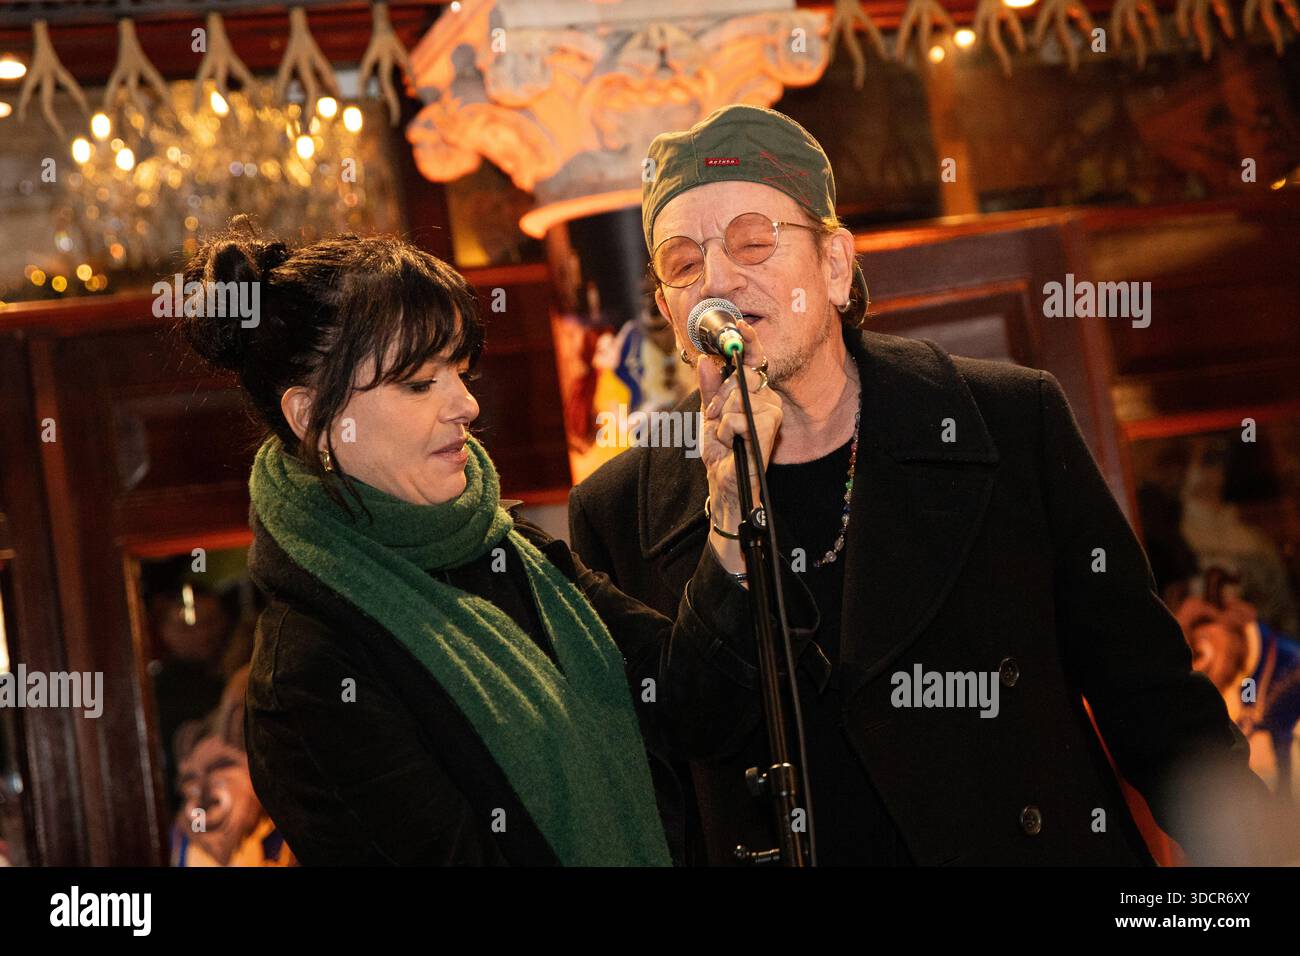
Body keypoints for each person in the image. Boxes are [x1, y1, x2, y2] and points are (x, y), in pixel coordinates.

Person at [569, 103, 1300, 866]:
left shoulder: (1009, 422)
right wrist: (726, 524)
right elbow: (655, 805)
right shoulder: (621, 510)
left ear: (835, 266)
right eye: (684, 264)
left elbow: (1154, 704)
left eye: (754, 241)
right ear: (667, 308)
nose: (717, 277)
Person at [178, 216, 781, 865]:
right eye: (418, 382)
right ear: (312, 418)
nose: (464, 403)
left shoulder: (509, 550)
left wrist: (728, 513)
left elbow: (699, 707)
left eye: (459, 371)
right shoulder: (308, 677)